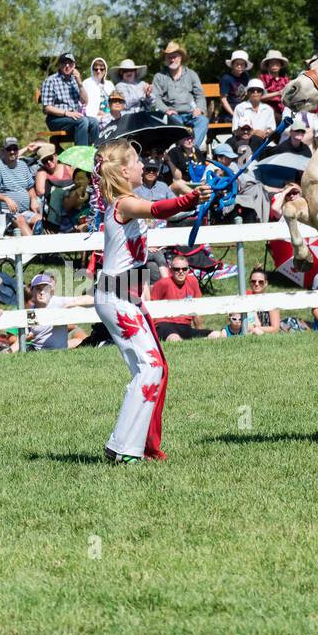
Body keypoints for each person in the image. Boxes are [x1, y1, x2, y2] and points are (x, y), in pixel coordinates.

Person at [93, 140, 207, 462]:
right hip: (117, 296)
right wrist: (189, 198)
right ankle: (123, 447)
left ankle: (135, 445)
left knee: (156, 368)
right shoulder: (124, 204)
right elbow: (159, 209)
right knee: (151, 368)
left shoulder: (127, 201)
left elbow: (166, 210)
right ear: (125, 170)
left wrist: (196, 201)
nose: (144, 166)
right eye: (138, 161)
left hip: (126, 295)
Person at [151, 41, 209, 149]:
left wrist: (199, 109)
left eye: (175, 57)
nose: (172, 60)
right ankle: (179, 150)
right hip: (172, 114)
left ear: (181, 57)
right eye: (169, 57)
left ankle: (191, 149)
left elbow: (199, 94)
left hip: (191, 114)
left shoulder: (191, 74)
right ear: (165, 59)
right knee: (175, 122)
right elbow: (155, 98)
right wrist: (166, 110)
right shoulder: (159, 76)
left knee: (203, 121)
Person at [149, 253, 212, 341]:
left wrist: (199, 332)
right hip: (165, 324)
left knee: (216, 335)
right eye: (176, 269)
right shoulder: (163, 283)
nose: (181, 271)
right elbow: (151, 309)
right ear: (170, 270)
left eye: (184, 269)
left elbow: (197, 311)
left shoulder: (193, 281)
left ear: (188, 270)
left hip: (185, 326)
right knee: (175, 339)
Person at [0, 137, 42, 235]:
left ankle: (46, 248)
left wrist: (33, 199)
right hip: (7, 213)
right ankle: (34, 248)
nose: (12, 152)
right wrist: (6, 199)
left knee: (41, 220)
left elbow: (30, 187)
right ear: (3, 151)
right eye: (9, 149)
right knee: (20, 220)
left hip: (25, 211)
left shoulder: (23, 166)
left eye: (15, 149)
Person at [41, 52, 98, 145]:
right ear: (60, 65)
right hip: (56, 119)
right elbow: (47, 108)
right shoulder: (51, 81)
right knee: (83, 121)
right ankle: (81, 156)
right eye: (64, 63)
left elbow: (85, 102)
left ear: (74, 65)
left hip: (73, 117)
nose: (67, 66)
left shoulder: (74, 81)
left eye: (70, 63)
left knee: (94, 122)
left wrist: (80, 83)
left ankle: (95, 153)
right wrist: (67, 113)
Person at [25, 272, 92, 350]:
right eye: (38, 289)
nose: (42, 292)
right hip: (37, 351)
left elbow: (89, 298)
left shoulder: (57, 301)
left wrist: (70, 304)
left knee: (79, 338)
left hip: (59, 351)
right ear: (32, 291)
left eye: (46, 288)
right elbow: (31, 334)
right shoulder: (31, 312)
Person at [232, 79, 275, 147]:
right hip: (245, 143)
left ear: (262, 93)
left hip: (265, 142)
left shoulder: (268, 109)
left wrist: (266, 133)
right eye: (252, 90)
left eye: (259, 90)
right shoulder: (240, 108)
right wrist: (253, 133)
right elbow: (235, 130)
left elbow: (272, 128)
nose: (255, 92)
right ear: (248, 92)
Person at [217, 50, 252, 122]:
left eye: (242, 64)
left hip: (243, 107)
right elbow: (223, 100)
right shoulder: (226, 79)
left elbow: (247, 94)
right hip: (229, 110)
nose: (239, 66)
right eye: (237, 64)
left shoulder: (245, 76)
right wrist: (233, 115)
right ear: (232, 65)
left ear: (245, 66)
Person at [244, 269, 282, 334]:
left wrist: (255, 329)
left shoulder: (271, 300)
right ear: (250, 282)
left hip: (263, 334)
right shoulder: (245, 297)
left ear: (266, 283)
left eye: (260, 282)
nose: (256, 284)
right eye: (253, 281)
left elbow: (275, 328)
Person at [257, 49, 290, 115]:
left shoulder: (286, 80)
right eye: (272, 63)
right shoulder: (263, 78)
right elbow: (260, 97)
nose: (275, 65)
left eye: (277, 63)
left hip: (284, 112)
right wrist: (278, 93)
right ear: (267, 65)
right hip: (267, 112)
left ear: (281, 65)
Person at [81, 57, 114, 123]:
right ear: (92, 70)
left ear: (105, 70)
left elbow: (114, 100)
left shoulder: (109, 84)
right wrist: (97, 111)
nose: (99, 71)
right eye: (96, 69)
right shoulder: (87, 83)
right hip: (94, 117)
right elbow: (83, 104)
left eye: (101, 69)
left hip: (110, 115)